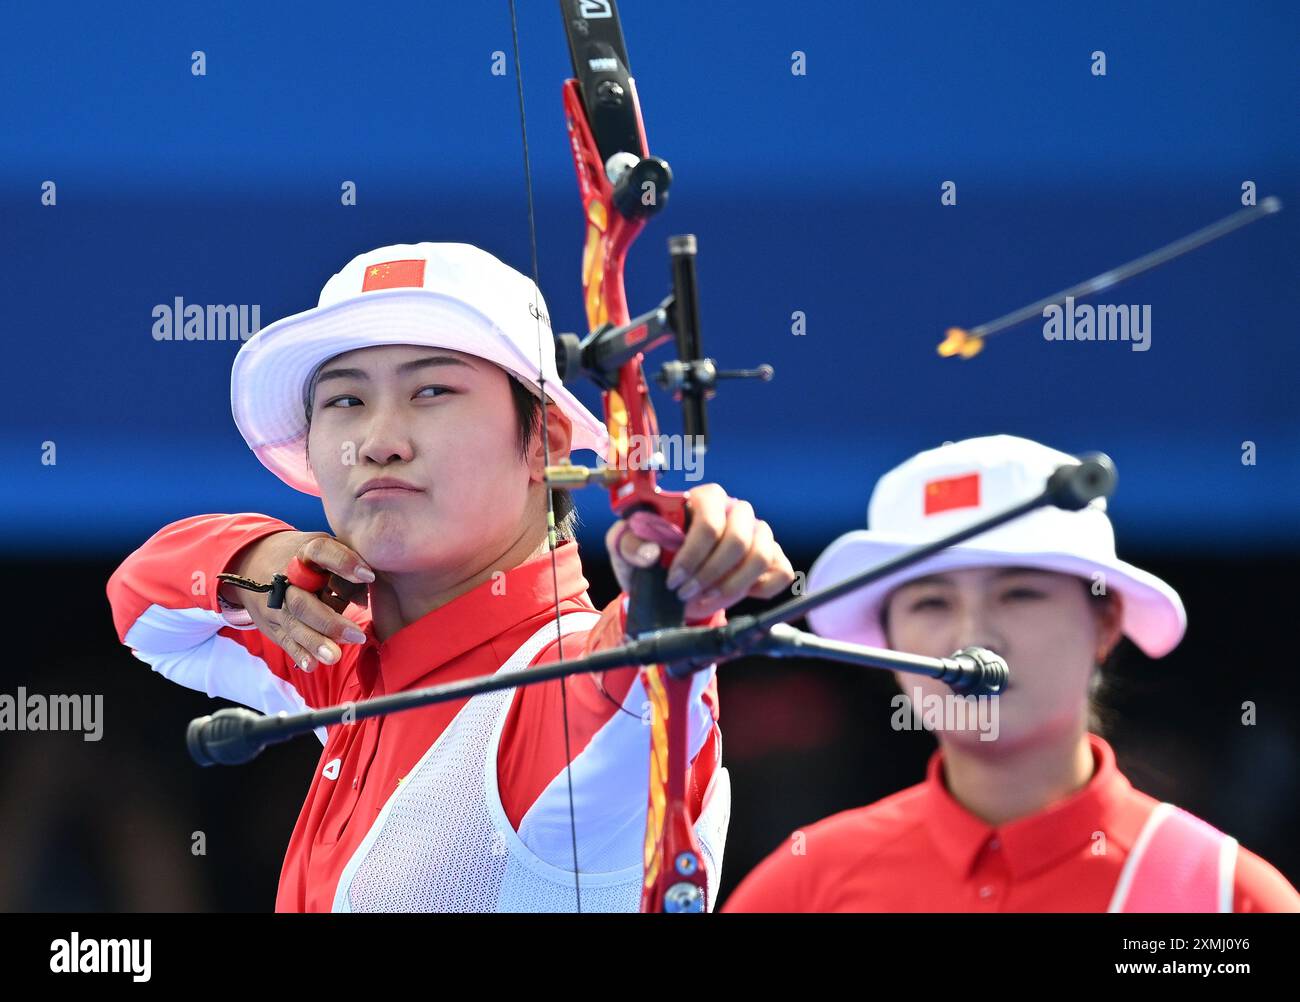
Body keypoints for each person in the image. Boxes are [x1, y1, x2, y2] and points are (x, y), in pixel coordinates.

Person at [107, 242, 794, 912]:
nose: (378, 441)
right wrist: (256, 561)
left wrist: (680, 580)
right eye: (345, 400)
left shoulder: (562, 691)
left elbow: (631, 678)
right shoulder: (338, 655)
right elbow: (144, 608)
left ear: (547, 443)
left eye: (432, 390)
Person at [724, 435, 1299, 912]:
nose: (974, 636)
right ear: (888, 638)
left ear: (1106, 622)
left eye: (1019, 593)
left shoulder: (1227, 899)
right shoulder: (805, 887)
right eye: (931, 603)